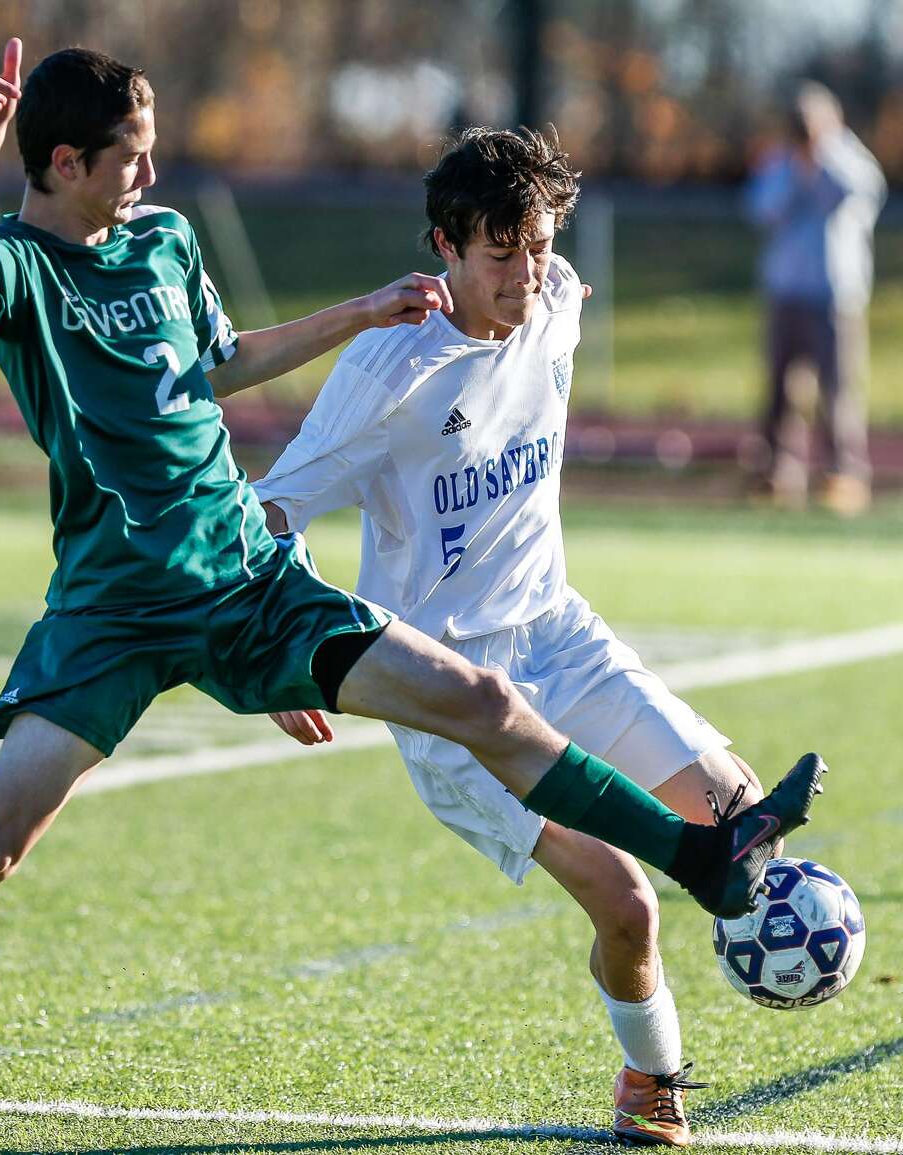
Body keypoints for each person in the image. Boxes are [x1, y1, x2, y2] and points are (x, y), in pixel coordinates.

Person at [0, 41, 823, 1139]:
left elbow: (224, 358)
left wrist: (359, 309)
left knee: (484, 701)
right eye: (128, 156)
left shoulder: (165, 241)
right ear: (62, 163)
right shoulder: (30, 270)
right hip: (116, 609)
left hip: (248, 579)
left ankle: (705, 863)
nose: (149, 173)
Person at [255, 126, 795, 1146]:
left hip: (559, 632)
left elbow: (561, 296)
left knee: (743, 809)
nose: (527, 271)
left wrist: (554, 280)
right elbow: (269, 511)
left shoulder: (555, 302)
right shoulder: (387, 373)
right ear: (443, 249)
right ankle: (652, 1079)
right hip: (449, 689)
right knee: (628, 903)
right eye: (500, 253)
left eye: (538, 244)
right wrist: (281, 646)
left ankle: (792, 945)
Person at [745, 81, 887, 515]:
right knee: (780, 390)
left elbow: (859, 194)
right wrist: (796, 168)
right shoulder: (780, 162)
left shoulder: (849, 157)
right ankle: (777, 473)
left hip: (835, 294)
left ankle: (844, 474)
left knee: (838, 389)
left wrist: (820, 156)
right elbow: (761, 206)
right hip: (786, 290)